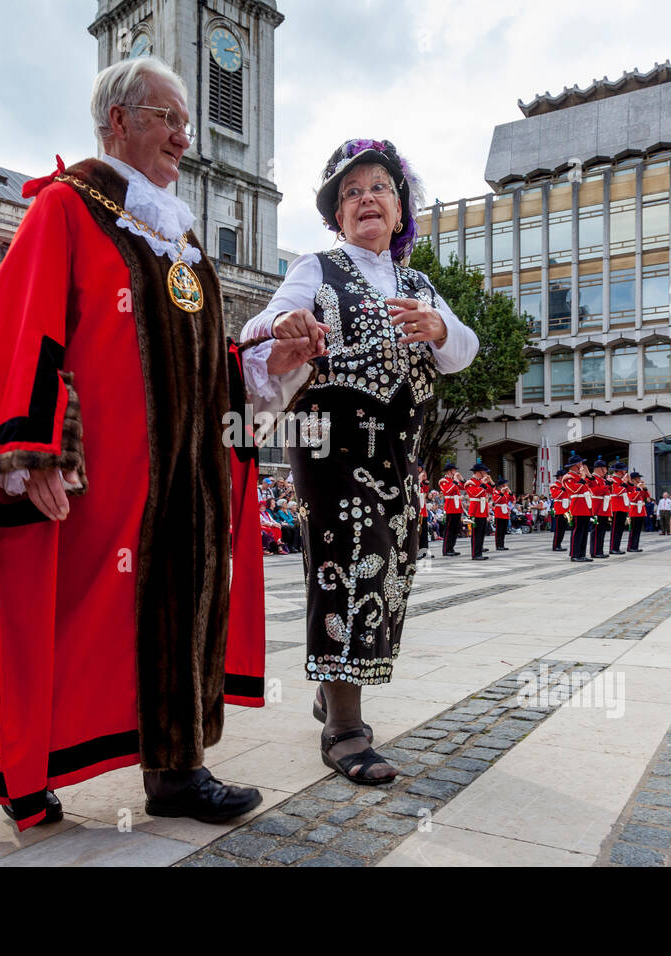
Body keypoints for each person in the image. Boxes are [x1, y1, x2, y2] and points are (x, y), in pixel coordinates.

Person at [0, 57, 299, 827]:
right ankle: (25, 767)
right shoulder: (69, 209)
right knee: (64, 618)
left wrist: (277, 359)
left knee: (181, 610)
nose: (183, 135)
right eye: (168, 117)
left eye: (185, 121)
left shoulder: (182, 241)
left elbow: (208, 368)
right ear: (119, 120)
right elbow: (22, 328)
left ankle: (179, 768)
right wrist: (31, 450)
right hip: (95, 480)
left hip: (184, 476)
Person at [241, 136, 478, 784]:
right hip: (331, 447)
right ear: (336, 215)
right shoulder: (317, 269)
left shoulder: (421, 285)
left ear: (400, 210)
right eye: (351, 192)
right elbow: (258, 331)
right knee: (347, 569)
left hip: (399, 457)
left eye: (379, 187)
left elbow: (465, 352)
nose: (366, 198)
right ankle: (345, 729)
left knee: (393, 574)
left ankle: (332, 691)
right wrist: (286, 330)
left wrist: (440, 329)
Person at [561, 454, 593, 562]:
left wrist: (588, 475)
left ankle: (581, 554)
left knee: (584, 532)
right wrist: (583, 478)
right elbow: (574, 490)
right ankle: (575, 554)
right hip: (578, 507)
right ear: (575, 465)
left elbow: (593, 485)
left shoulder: (579, 476)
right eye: (580, 463)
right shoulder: (568, 477)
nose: (582, 465)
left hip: (585, 507)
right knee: (578, 531)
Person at [464, 463, 491, 560]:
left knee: (481, 533)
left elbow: (491, 491)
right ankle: (475, 554)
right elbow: (475, 494)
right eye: (483, 472)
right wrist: (483, 484)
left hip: (482, 510)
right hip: (475, 511)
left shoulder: (480, 481)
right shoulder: (470, 482)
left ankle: (479, 552)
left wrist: (490, 481)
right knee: (476, 534)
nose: (485, 473)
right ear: (478, 472)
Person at [439, 462, 464, 556]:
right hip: (450, 507)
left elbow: (464, 487)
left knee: (455, 529)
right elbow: (447, 491)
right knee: (449, 529)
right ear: (449, 471)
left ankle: (451, 548)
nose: (455, 472)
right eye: (454, 470)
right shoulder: (443, 480)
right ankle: (446, 550)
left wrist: (461, 478)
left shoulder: (454, 480)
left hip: (457, 507)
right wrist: (455, 481)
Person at [587, 459, 610, 558]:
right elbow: (594, 491)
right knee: (596, 530)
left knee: (602, 530)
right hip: (597, 506)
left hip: (603, 507)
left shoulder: (602, 479)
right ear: (600, 469)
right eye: (605, 468)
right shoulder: (592, 478)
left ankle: (599, 550)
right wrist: (606, 487)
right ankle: (595, 551)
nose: (606, 470)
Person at [607, 460, 630, 555]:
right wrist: (624, 483)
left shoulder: (621, 480)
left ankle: (617, 547)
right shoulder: (613, 479)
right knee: (616, 528)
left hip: (623, 506)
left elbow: (629, 490)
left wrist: (629, 482)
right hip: (616, 506)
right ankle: (613, 548)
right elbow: (617, 491)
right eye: (623, 471)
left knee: (620, 528)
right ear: (619, 471)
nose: (625, 472)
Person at [625, 471, 649, 552]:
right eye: (638, 478)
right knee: (633, 530)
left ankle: (635, 546)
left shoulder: (639, 488)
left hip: (641, 511)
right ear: (633, 480)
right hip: (634, 511)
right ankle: (630, 547)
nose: (639, 480)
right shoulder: (630, 488)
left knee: (638, 530)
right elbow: (633, 498)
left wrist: (644, 488)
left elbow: (647, 497)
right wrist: (638, 489)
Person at [490, 475, 512, 551]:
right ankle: (498, 545)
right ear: (501, 485)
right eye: (505, 484)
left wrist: (510, 492)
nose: (506, 485)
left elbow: (512, 499)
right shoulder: (496, 492)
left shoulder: (506, 492)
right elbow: (496, 501)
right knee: (499, 530)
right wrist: (501, 493)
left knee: (503, 530)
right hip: (499, 512)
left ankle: (502, 544)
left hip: (505, 512)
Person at [549, 468, 568, 551]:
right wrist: (562, 490)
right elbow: (554, 495)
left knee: (563, 529)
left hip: (566, 509)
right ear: (560, 477)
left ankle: (559, 544)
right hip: (559, 509)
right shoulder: (555, 485)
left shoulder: (565, 485)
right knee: (558, 529)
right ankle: (555, 545)